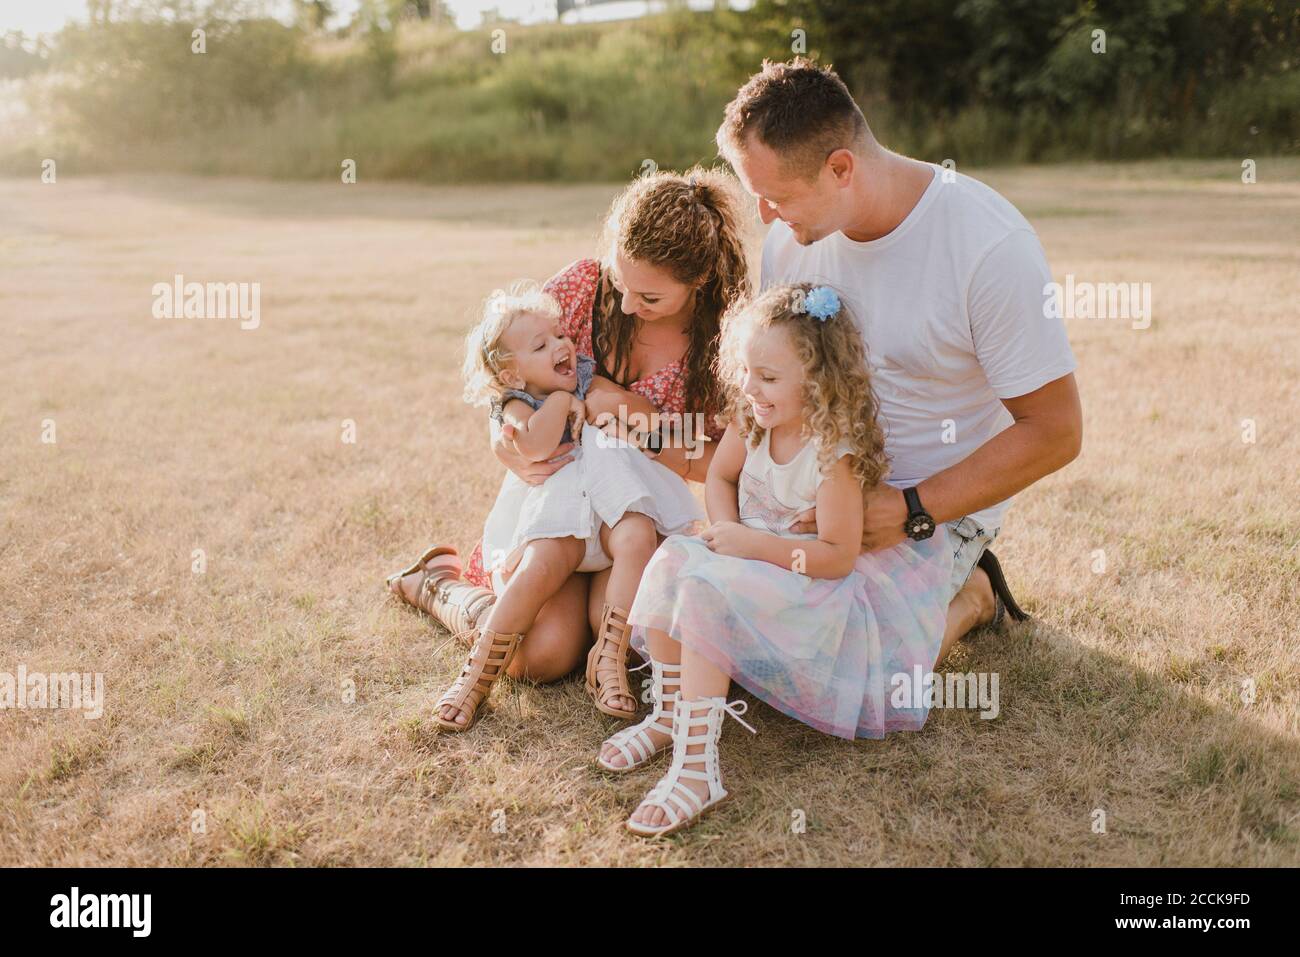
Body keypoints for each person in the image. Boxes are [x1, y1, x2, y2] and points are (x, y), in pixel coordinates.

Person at [716, 58, 1083, 666]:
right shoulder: (790, 242)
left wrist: (911, 509)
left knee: (856, 674)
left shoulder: (988, 246)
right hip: (809, 496)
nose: (766, 218)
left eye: (776, 197)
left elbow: (1057, 430)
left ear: (840, 168)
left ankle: (972, 593)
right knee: (735, 639)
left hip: (930, 510)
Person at [387, 168, 752, 702]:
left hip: (634, 511)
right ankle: (438, 585)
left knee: (630, 644)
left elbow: (719, 460)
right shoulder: (583, 288)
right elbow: (508, 365)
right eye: (623, 284)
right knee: (541, 657)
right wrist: (502, 433)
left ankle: (590, 629)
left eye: (649, 297)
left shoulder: (724, 342)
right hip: (560, 502)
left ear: (697, 281)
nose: (628, 305)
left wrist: (635, 417)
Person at [601, 283, 954, 836]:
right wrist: (727, 531)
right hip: (747, 555)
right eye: (745, 371)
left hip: (804, 586)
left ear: (817, 382)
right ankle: (669, 714)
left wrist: (753, 549)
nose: (749, 388)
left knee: (705, 592)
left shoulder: (832, 455)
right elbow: (720, 475)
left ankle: (697, 771)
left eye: (767, 378)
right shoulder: (752, 421)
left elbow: (837, 557)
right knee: (672, 560)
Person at [430, 283, 701, 730]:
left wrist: (603, 402)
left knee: (638, 534)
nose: (561, 344)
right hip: (561, 512)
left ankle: (608, 658)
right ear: (513, 376)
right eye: (542, 344)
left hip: (612, 491)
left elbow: (630, 409)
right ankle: (478, 674)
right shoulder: (517, 403)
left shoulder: (585, 374)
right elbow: (534, 446)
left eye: (559, 335)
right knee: (544, 568)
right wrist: (560, 401)